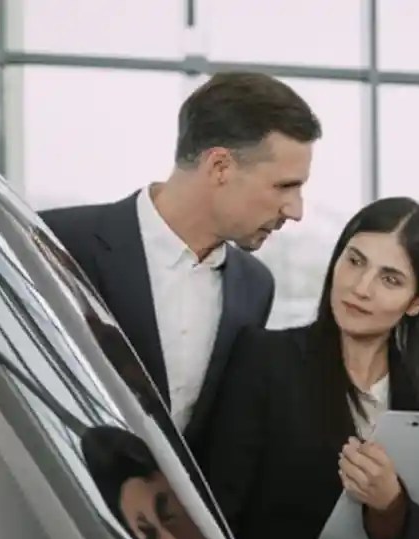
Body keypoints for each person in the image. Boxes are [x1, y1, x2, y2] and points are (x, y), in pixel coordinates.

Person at [205, 196, 419, 539]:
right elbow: (219, 518)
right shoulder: (267, 361)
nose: (360, 288)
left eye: (390, 279)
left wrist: (392, 507)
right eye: (354, 261)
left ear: (418, 301)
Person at [40, 72, 322, 460]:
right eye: (284, 186)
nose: (296, 210)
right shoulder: (57, 241)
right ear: (220, 166)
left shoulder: (255, 285)